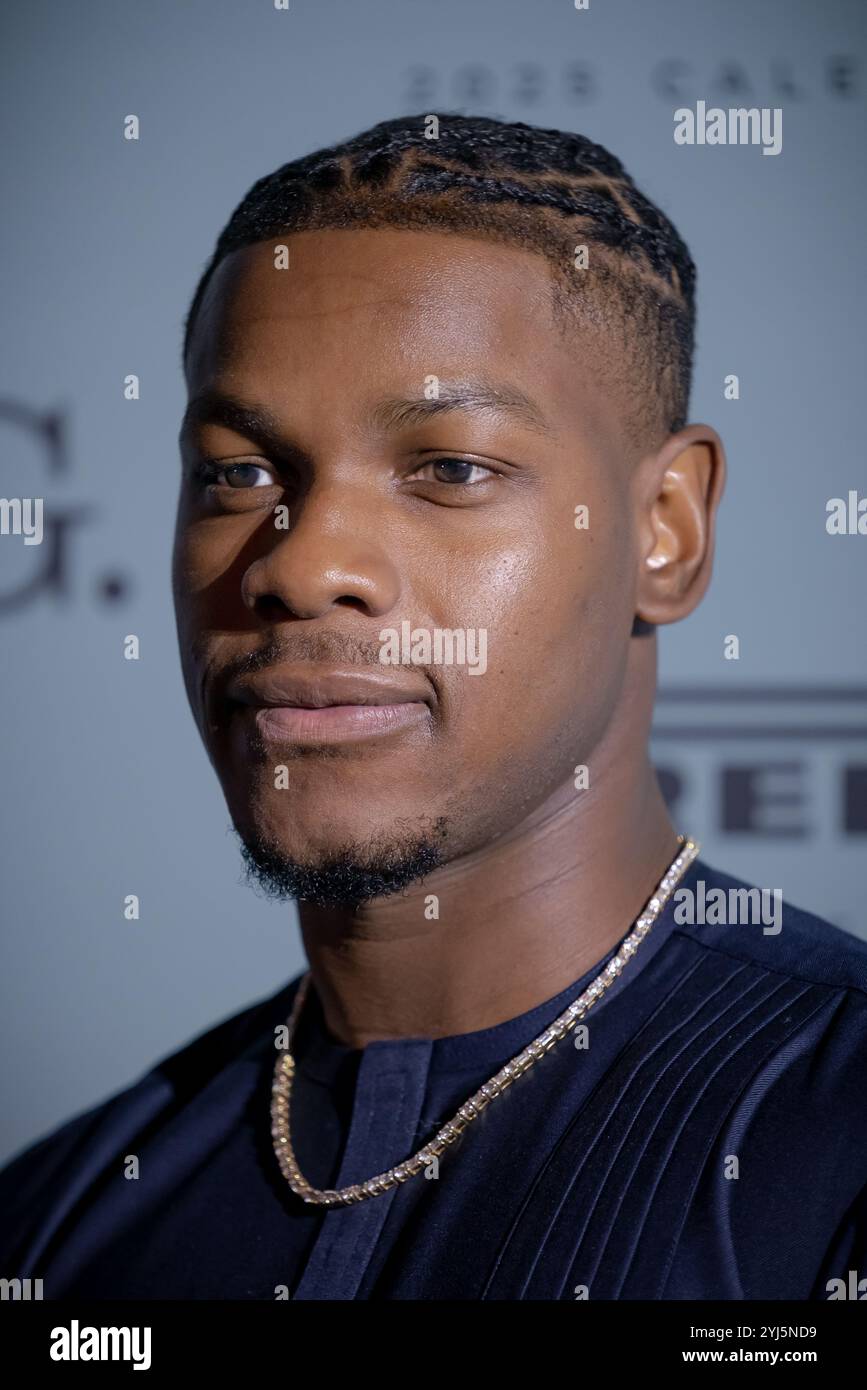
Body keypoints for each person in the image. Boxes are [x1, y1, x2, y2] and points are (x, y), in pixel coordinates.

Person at [2, 113, 865, 1301]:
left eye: (450, 468)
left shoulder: (839, 1138)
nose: (297, 568)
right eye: (240, 474)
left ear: (667, 529)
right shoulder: (59, 1224)